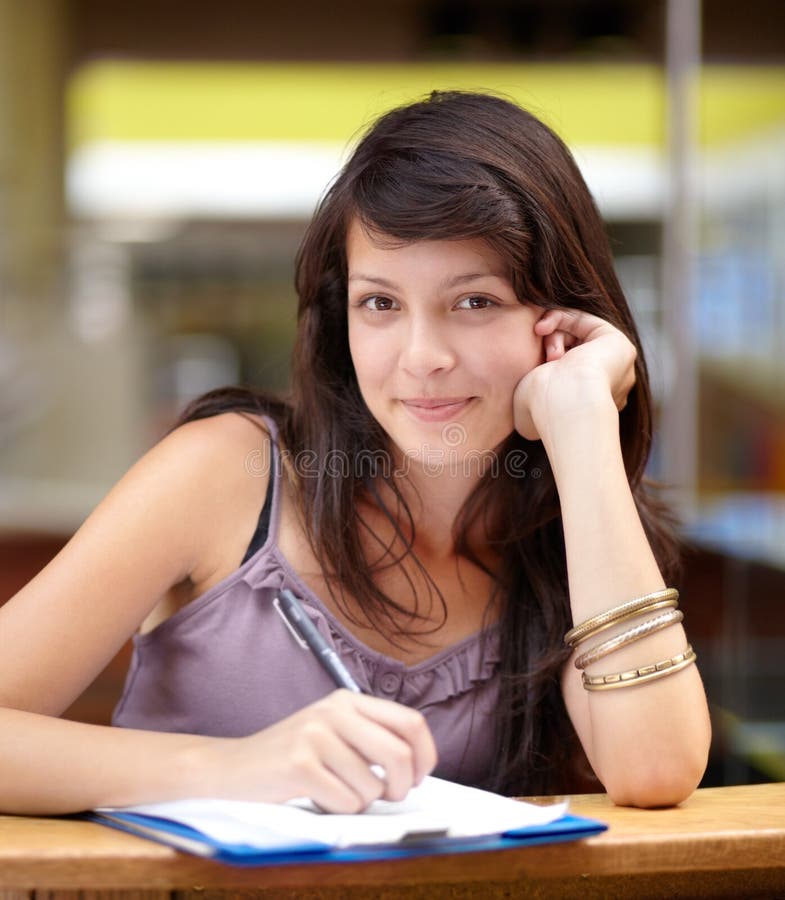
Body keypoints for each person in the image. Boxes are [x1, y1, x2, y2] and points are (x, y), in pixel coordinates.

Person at [0, 91, 710, 816]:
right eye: (380, 303)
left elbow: (654, 769)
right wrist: (241, 767)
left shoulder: (573, 533)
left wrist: (583, 426)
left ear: (561, 318)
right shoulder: (226, 472)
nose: (421, 357)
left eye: (474, 302)